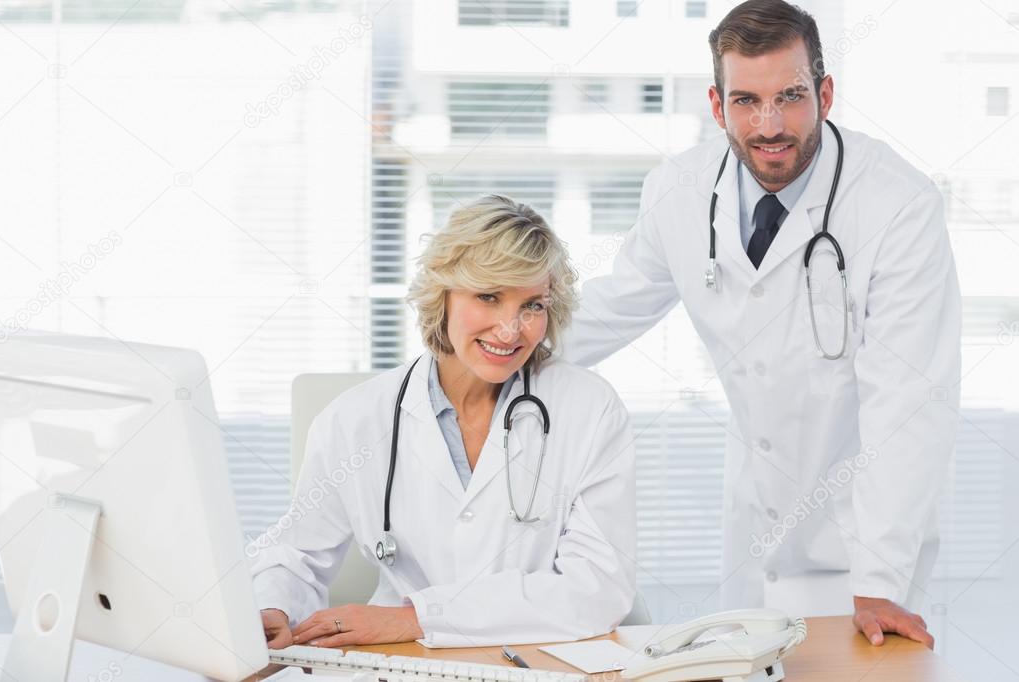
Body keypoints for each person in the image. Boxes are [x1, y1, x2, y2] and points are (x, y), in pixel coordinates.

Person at [562, 0, 960, 648]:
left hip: (864, 552)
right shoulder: (679, 190)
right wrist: (489, 347)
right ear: (717, 106)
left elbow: (908, 401)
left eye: (790, 97)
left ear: (824, 95)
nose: (769, 125)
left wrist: (881, 578)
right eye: (746, 100)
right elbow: (611, 306)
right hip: (755, 537)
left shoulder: (897, 203)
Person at [249, 195, 636, 649]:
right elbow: (297, 554)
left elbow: (598, 587)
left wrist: (419, 617)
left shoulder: (589, 409)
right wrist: (274, 610)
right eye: (488, 297)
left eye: (532, 305)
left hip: (537, 657)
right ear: (443, 295)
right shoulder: (353, 420)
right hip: (401, 661)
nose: (510, 329)